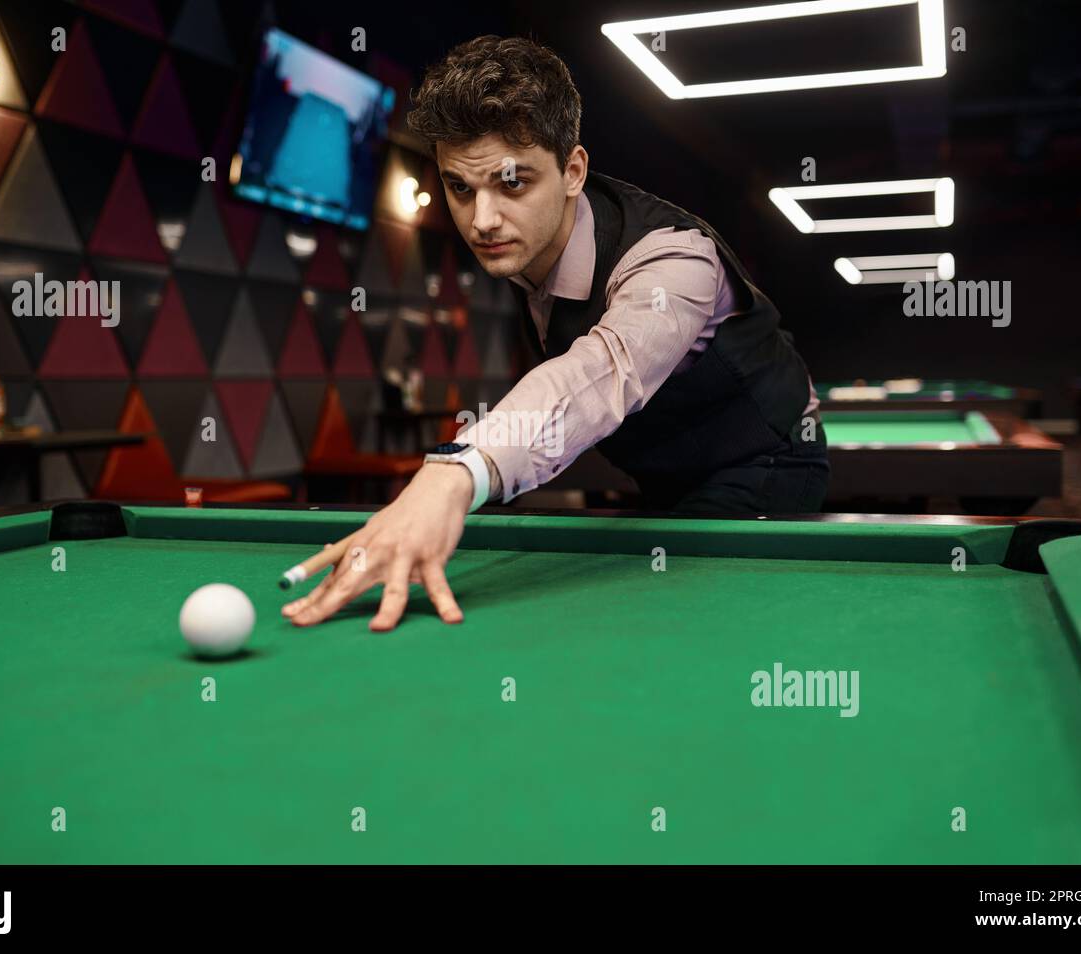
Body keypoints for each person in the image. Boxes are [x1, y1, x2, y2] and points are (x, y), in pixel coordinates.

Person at [282, 35, 828, 632]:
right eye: (460, 188)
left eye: (512, 183)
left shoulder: (674, 264)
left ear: (572, 171)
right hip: (657, 470)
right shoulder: (526, 244)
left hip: (766, 459)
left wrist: (455, 473)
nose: (482, 220)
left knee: (679, 630)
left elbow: (597, 373)